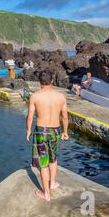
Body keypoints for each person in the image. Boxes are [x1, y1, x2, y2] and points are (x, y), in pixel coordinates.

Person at [26, 70, 69, 202]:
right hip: (55, 130)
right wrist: (65, 132)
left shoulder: (35, 96)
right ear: (52, 81)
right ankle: (53, 183)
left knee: (43, 163)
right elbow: (65, 117)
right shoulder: (61, 97)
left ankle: (46, 194)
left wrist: (28, 130)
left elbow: (30, 116)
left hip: (41, 131)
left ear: (40, 82)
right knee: (53, 158)